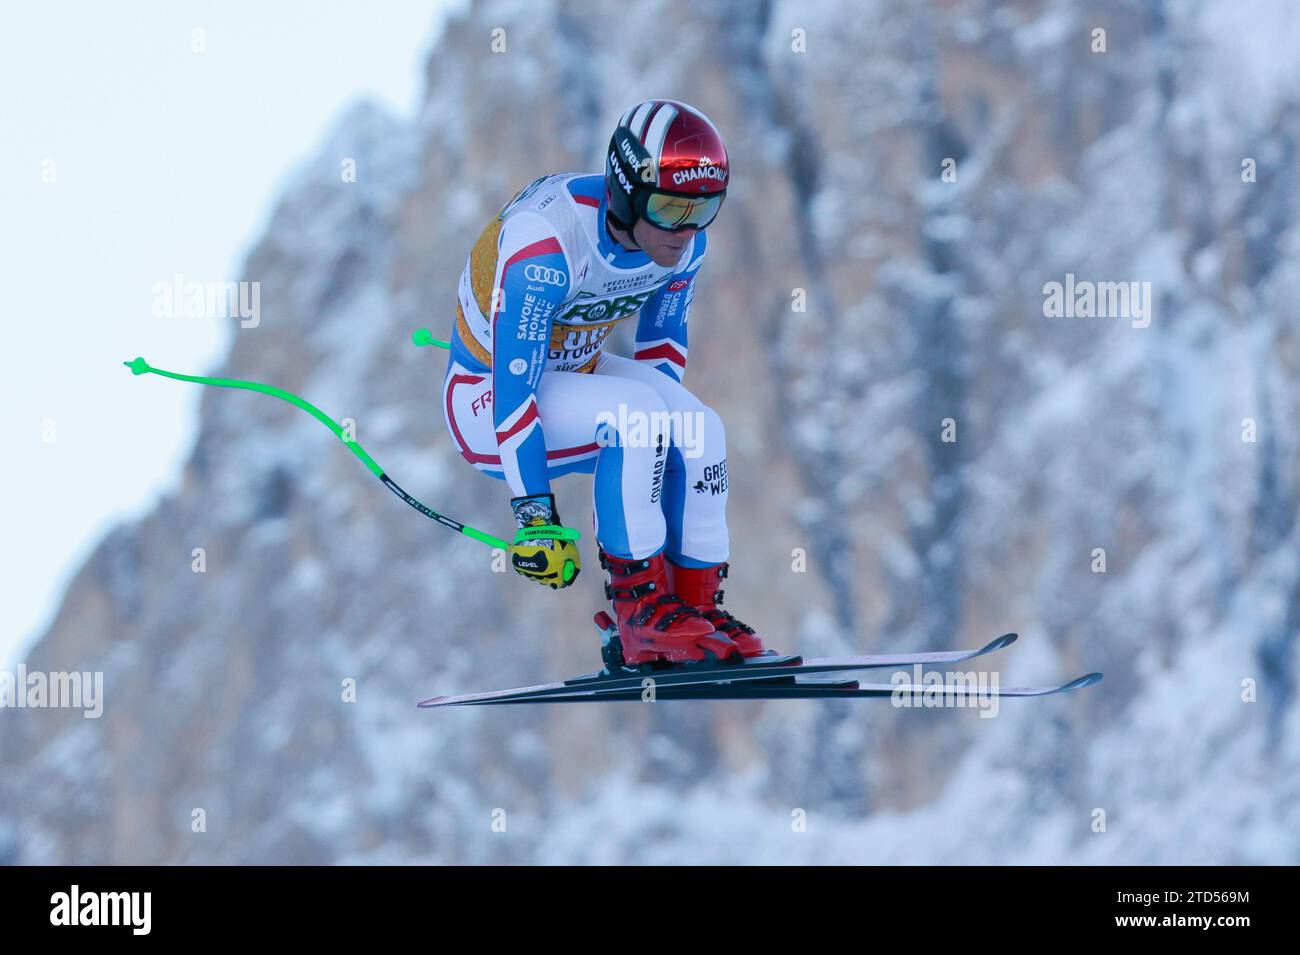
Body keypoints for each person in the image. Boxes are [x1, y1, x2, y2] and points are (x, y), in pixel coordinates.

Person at [441, 99, 763, 666]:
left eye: (705, 209)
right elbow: (515, 385)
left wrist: (661, 462)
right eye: (668, 208)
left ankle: (694, 606)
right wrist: (536, 519)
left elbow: (662, 348)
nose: (686, 231)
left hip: (579, 375)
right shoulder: (545, 244)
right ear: (625, 191)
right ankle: (640, 616)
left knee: (700, 428)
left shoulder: (682, 243)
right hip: (486, 397)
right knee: (635, 416)